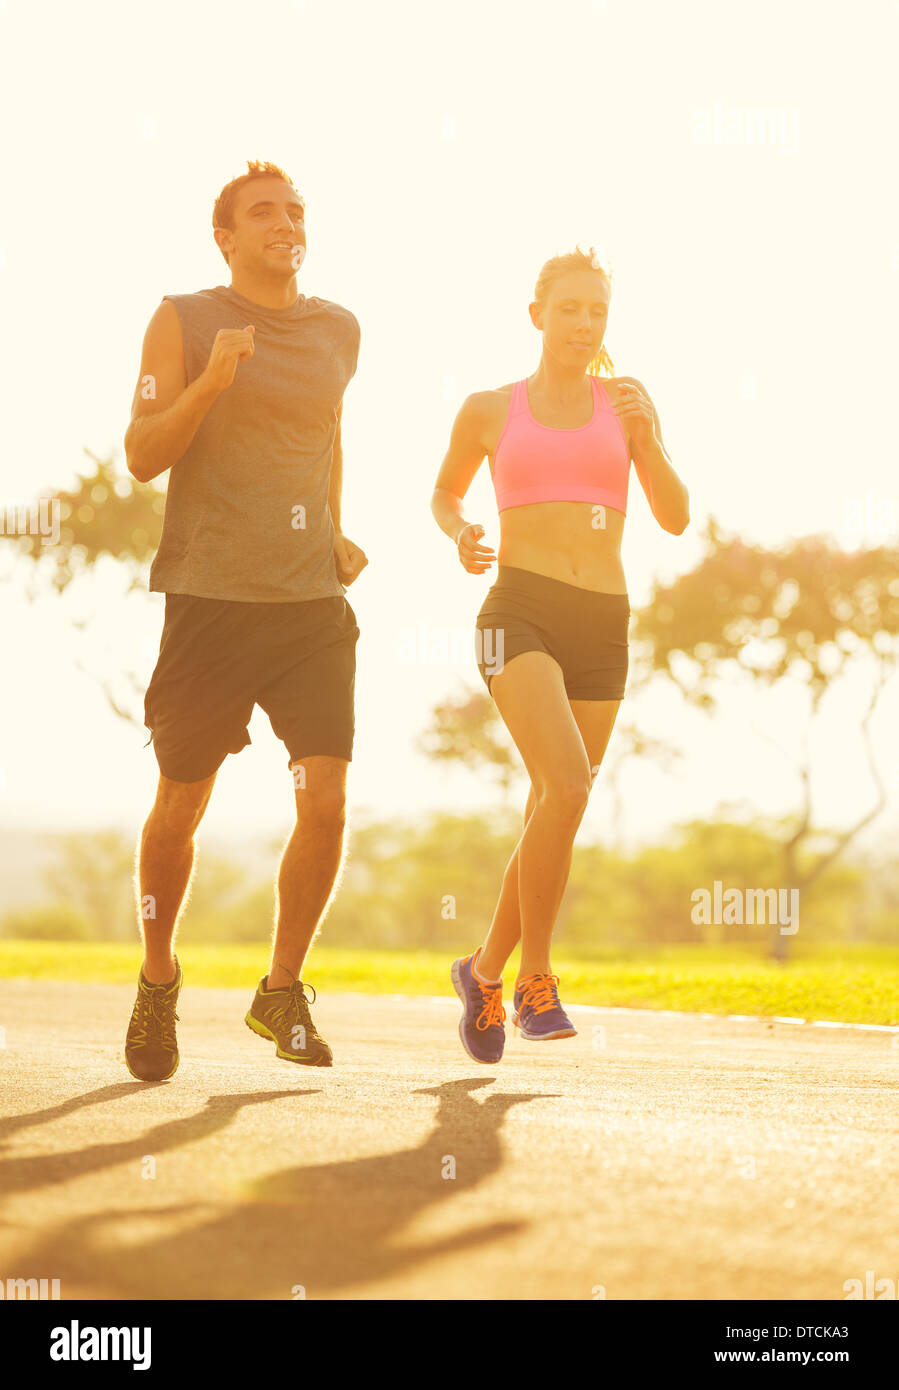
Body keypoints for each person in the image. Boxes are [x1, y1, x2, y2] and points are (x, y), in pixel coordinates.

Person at [123, 160, 366, 1080]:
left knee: (327, 796)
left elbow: (329, 431)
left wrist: (335, 531)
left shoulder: (339, 328)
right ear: (224, 236)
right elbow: (143, 454)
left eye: (295, 210)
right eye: (263, 212)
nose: (284, 222)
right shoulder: (182, 318)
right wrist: (210, 384)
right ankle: (157, 983)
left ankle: (281, 988)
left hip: (309, 604)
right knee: (179, 806)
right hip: (211, 602)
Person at [431, 247, 689, 1064]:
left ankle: (480, 971)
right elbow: (443, 490)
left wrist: (647, 439)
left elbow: (675, 517)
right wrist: (461, 529)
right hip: (518, 611)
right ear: (536, 313)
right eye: (570, 308)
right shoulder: (486, 408)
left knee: (558, 801)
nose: (584, 324)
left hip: (602, 619)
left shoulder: (627, 404)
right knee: (567, 783)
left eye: (597, 312)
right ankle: (535, 978)